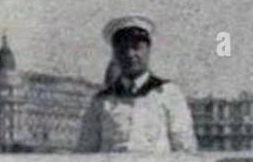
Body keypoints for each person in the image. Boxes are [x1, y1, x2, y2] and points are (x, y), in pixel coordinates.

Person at [77, 15, 197, 154]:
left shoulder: (169, 94)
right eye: (122, 49)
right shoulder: (102, 101)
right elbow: (85, 153)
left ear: (148, 50)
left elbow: (185, 148)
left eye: (136, 47)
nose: (130, 54)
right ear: (115, 55)